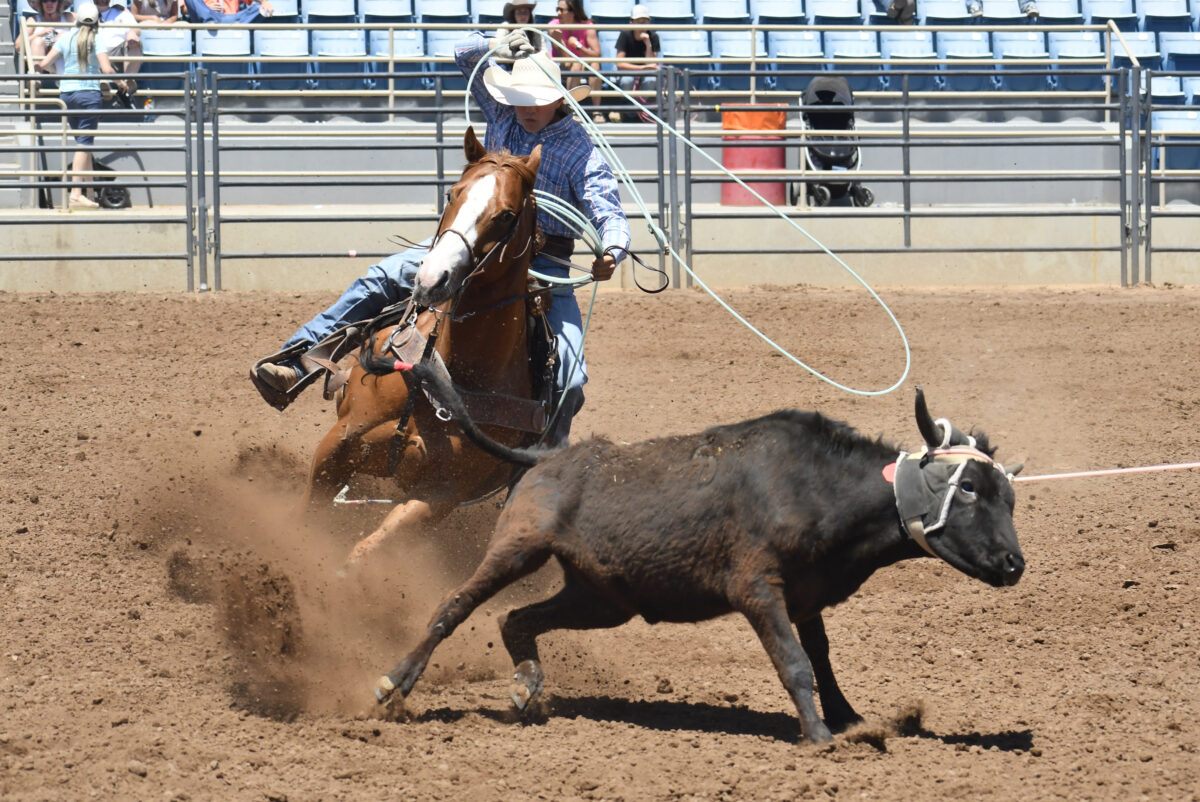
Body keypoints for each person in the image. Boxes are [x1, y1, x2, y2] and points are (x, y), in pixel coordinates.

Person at [252, 29, 631, 447]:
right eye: (519, 96)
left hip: (542, 265)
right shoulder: (504, 113)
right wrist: (498, 41)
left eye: (535, 98)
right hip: (471, 245)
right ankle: (297, 364)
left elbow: (609, 214)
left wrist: (611, 252)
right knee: (381, 279)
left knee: (571, 378)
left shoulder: (581, 152)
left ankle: (543, 466)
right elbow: (463, 53)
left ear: (560, 99)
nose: (525, 107)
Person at [37, 2, 129, 208]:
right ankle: (76, 193)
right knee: (84, 144)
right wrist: (121, 83)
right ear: (96, 21)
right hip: (88, 95)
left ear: (78, 19)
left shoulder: (65, 37)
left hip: (66, 95)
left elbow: (43, 64)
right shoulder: (96, 39)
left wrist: (55, 73)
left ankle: (89, 192)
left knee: (82, 143)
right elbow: (107, 69)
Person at [548, 0, 604, 123]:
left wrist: (578, 46)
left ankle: (597, 111)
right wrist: (561, 42)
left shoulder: (587, 26)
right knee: (576, 65)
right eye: (557, 9)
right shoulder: (554, 26)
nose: (558, 13)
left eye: (562, 10)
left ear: (573, 12)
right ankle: (572, 110)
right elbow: (566, 62)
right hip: (563, 65)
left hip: (583, 62)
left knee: (594, 65)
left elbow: (597, 54)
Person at [611, 4, 658, 123]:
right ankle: (632, 114)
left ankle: (637, 112)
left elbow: (652, 63)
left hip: (646, 72)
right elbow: (620, 63)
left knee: (651, 81)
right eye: (639, 21)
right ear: (631, 23)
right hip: (629, 71)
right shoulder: (625, 35)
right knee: (627, 81)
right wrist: (642, 68)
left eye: (645, 21)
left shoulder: (653, 36)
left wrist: (648, 44)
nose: (642, 25)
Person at [16, 0, 75, 75]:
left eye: (53, 1)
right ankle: (35, 77)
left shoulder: (69, 17)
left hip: (63, 57)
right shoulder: (33, 20)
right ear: (40, 3)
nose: (49, 4)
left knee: (62, 36)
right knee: (37, 41)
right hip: (43, 58)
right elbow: (18, 46)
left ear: (59, 2)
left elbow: (84, 30)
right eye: (45, 0)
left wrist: (62, 35)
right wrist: (39, 34)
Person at [95, 0, 141, 84]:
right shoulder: (86, 13)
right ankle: (103, 83)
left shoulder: (122, 13)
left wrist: (132, 32)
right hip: (96, 53)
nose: (102, 1)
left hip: (118, 52)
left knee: (134, 42)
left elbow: (136, 28)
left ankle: (129, 81)